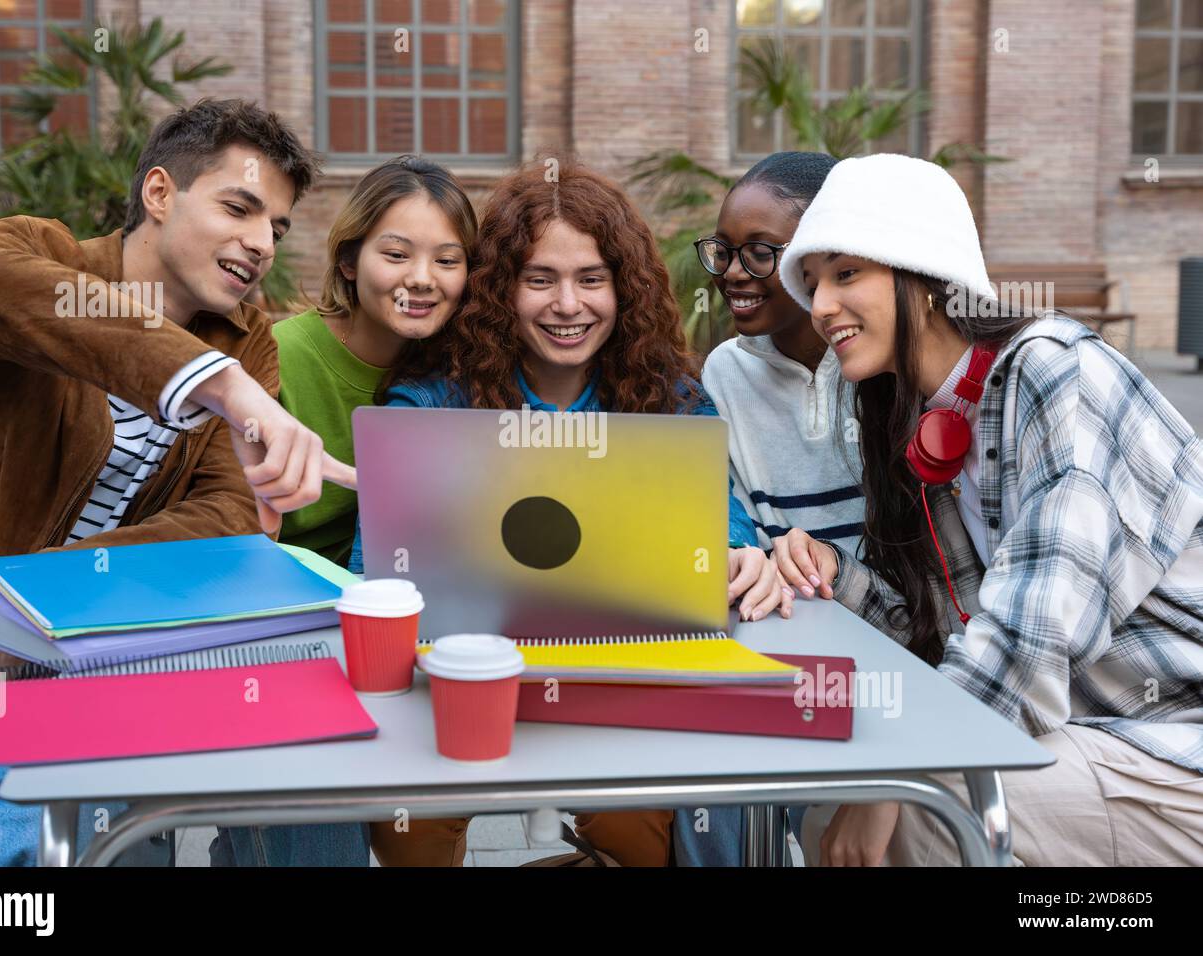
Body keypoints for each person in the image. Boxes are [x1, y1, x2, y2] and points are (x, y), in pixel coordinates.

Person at [0, 98, 350, 866]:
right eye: (238, 207)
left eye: (275, 228)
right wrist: (221, 387)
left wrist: (25, 606)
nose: (259, 244)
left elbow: (229, 513)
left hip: (96, 659)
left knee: (314, 786)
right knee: (100, 833)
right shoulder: (34, 257)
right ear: (159, 194)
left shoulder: (247, 339)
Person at [772, 152, 1203, 866]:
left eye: (847, 273)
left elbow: (1027, 641)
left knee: (925, 816)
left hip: (1172, 742)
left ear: (927, 274)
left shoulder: (1058, 371)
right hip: (1091, 736)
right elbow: (935, 634)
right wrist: (829, 575)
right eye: (814, 283)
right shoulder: (920, 418)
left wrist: (898, 777)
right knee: (828, 800)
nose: (818, 306)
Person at [351, 157, 779, 866]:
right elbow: (374, 570)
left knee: (639, 825)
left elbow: (720, 527)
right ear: (501, 289)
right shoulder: (433, 403)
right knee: (409, 827)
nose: (568, 305)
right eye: (539, 279)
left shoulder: (668, 400)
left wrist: (742, 554)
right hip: (456, 684)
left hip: (614, 688)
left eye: (591, 279)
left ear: (623, 288)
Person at [211, 154, 477, 867]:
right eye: (397, 253)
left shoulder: (457, 377)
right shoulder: (276, 358)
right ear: (352, 259)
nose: (422, 278)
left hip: (401, 638)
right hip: (278, 635)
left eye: (447, 260)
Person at [679, 150, 864, 866]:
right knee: (710, 786)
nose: (730, 271)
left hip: (887, 633)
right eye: (724, 251)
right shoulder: (725, 369)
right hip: (784, 630)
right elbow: (733, 522)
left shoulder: (872, 363)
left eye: (760, 252)